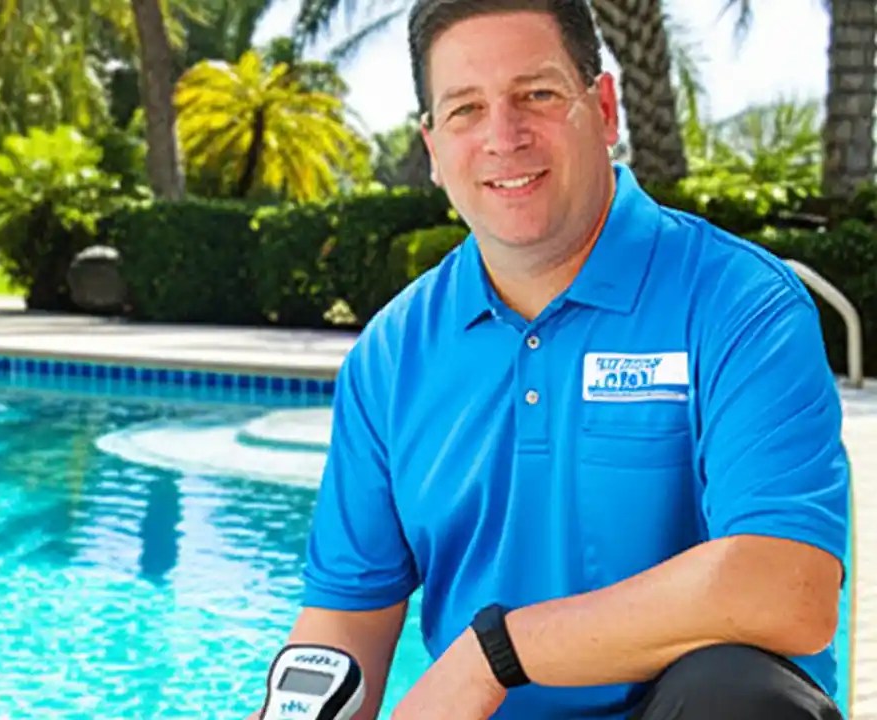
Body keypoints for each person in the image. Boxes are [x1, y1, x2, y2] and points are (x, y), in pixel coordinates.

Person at [247, 0, 851, 718]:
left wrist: (497, 654)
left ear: (603, 108)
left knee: (736, 693)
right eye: (466, 109)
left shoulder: (739, 305)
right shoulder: (390, 353)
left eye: (536, 94)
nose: (504, 136)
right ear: (433, 148)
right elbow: (346, 619)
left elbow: (788, 588)